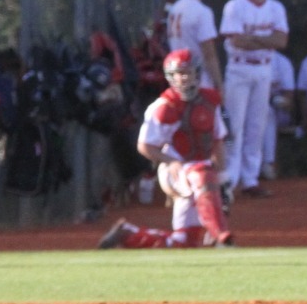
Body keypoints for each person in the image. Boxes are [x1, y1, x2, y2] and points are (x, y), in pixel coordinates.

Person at [99, 49, 233, 249]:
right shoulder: (163, 107)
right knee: (201, 173)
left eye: (188, 72)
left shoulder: (210, 102)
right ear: (171, 77)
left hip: (204, 170)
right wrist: (171, 162)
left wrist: (224, 181)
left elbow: (217, 142)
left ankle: (128, 234)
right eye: (179, 73)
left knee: (184, 242)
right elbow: (145, 146)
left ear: (197, 73)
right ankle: (221, 237)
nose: (185, 78)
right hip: (174, 170)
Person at [219, 0, 289, 198]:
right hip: (239, 68)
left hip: (263, 69)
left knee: (256, 126)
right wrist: (265, 40)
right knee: (234, 125)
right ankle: (229, 178)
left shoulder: (275, 7)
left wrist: (254, 41)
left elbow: (281, 41)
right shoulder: (234, 6)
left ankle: (250, 179)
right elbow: (236, 40)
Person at [165, 0, 223, 91]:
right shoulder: (202, 11)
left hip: (178, 79)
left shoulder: (174, 9)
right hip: (199, 81)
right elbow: (209, 54)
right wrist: (219, 84)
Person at [264, 49, 295, 178]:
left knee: (267, 114)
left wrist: (274, 100)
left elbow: (289, 98)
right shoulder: (246, 57)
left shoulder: (281, 62)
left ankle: (268, 163)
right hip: (252, 108)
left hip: (278, 110)